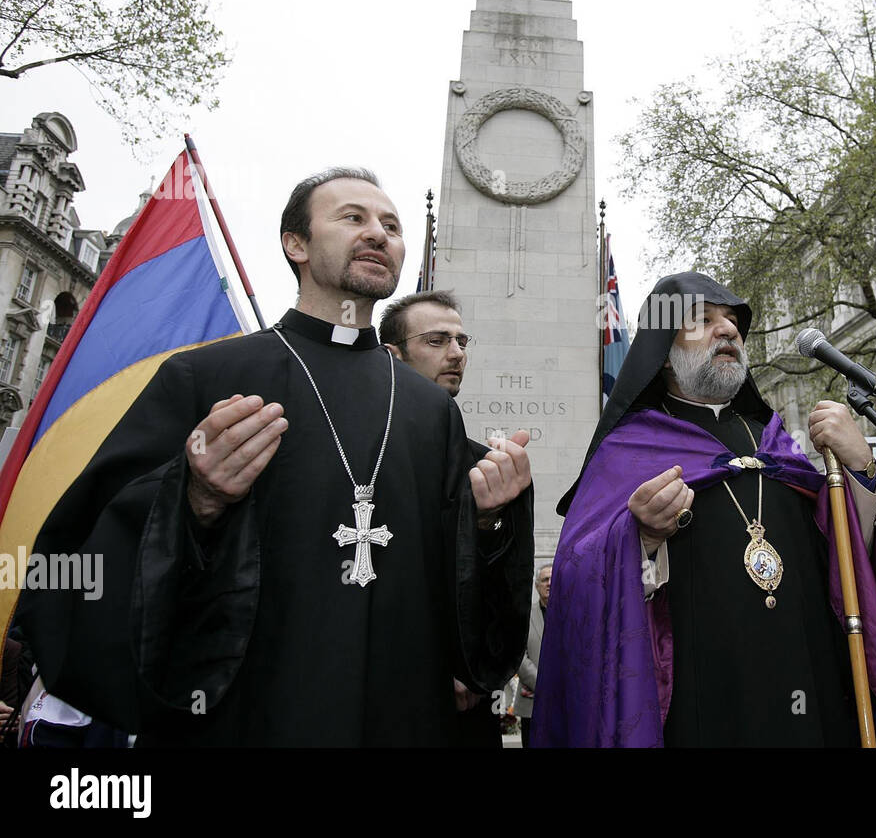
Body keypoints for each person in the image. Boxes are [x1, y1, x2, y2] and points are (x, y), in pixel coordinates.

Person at [16, 168, 534, 745]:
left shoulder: (430, 411)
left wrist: (487, 521)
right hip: (249, 715)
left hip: (399, 711)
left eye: (391, 225)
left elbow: (454, 593)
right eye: (352, 218)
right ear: (297, 245)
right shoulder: (206, 376)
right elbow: (87, 547)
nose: (378, 234)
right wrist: (193, 497)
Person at [533, 272, 876, 747]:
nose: (727, 331)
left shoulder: (775, 442)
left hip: (809, 680)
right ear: (664, 351)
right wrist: (638, 539)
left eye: (732, 322)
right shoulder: (625, 453)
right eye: (703, 321)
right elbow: (575, 582)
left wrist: (861, 470)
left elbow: (848, 560)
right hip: (699, 701)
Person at [379, 288, 534, 748]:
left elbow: (498, 595)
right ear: (393, 355)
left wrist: (489, 523)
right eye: (436, 340)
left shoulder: (485, 464)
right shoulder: (361, 454)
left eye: (462, 342)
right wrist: (427, 669)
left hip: (466, 712)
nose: (456, 353)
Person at [514, 564, 550, 748]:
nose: (550, 583)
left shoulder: (571, 614)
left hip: (563, 703)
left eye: (554, 579)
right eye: (545, 580)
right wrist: (544, 685)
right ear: (536, 585)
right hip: (531, 704)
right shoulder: (525, 615)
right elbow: (519, 656)